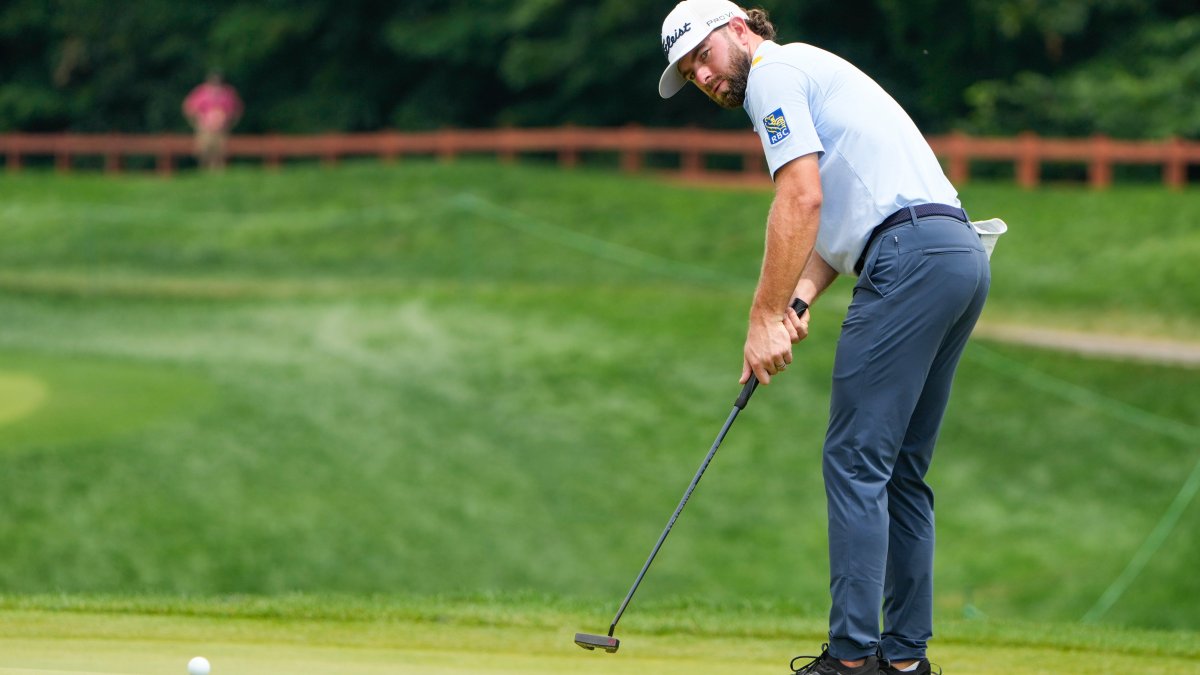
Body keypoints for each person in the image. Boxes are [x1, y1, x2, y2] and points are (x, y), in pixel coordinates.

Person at [656, 2, 990, 674]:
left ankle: (851, 659)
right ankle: (904, 661)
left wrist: (762, 317)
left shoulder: (773, 76)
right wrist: (797, 299)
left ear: (739, 29)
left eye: (703, 55)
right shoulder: (809, 71)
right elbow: (840, 221)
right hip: (956, 254)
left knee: (855, 459)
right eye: (689, 72)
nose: (703, 75)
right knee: (898, 470)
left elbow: (801, 199)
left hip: (908, 255)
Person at [182, 72, 243, 170]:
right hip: (205, 128)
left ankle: (218, 168)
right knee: (204, 147)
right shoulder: (201, 93)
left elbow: (236, 109)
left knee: (221, 149)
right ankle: (205, 167)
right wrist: (198, 121)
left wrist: (228, 121)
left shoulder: (227, 93)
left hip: (222, 128)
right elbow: (189, 108)